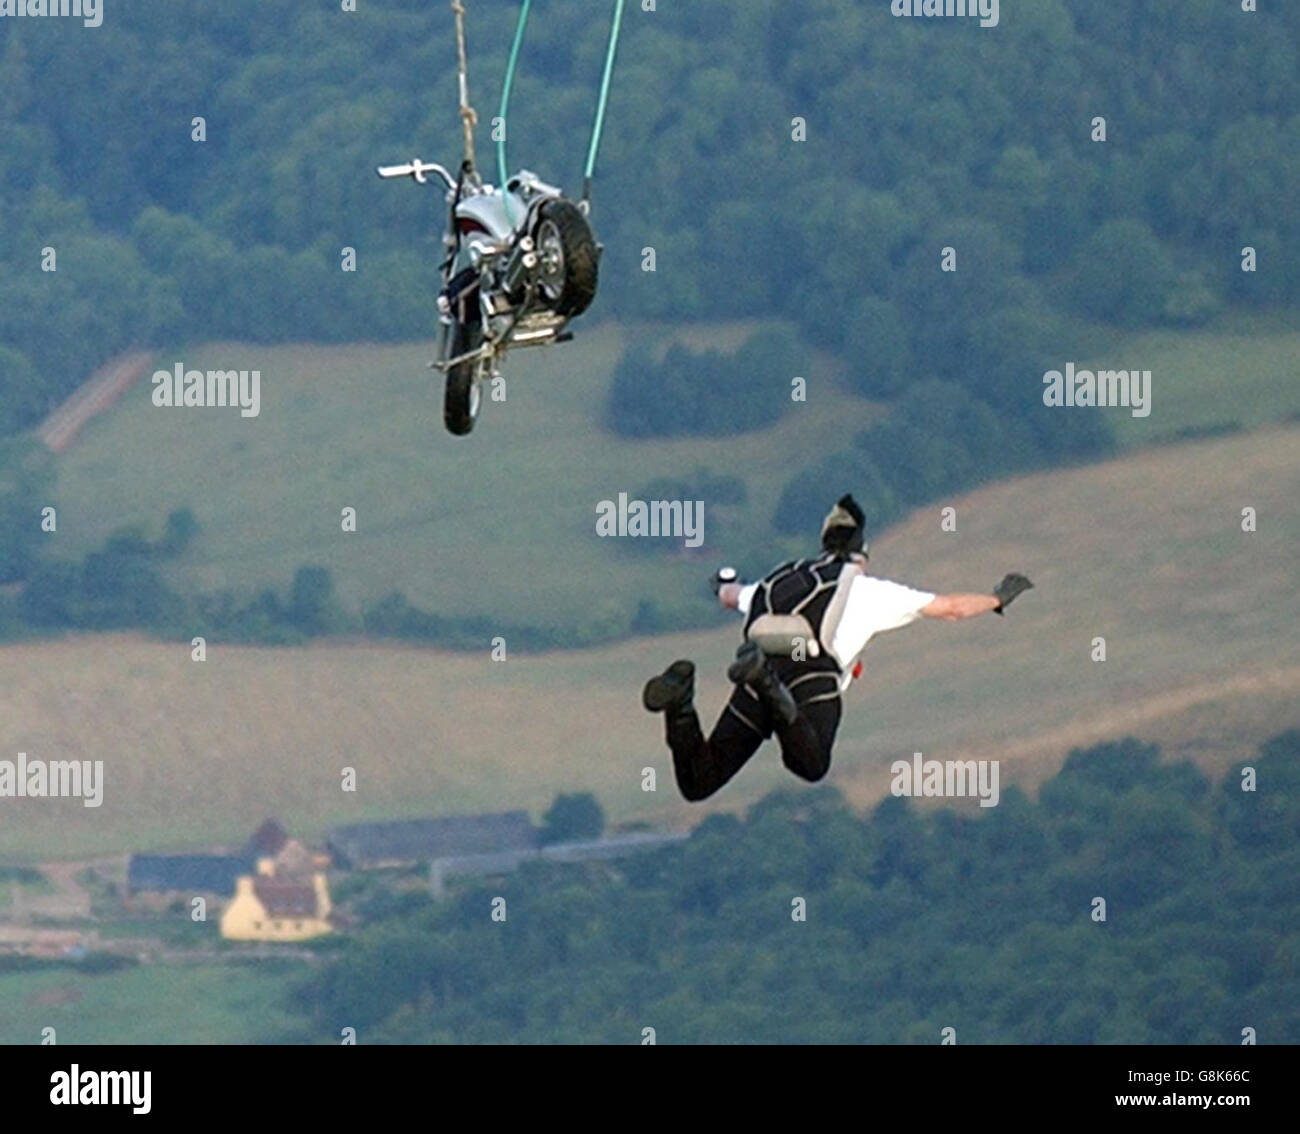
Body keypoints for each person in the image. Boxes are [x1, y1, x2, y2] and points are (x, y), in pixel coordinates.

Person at [642, 494, 1033, 801]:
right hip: (809, 674)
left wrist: (722, 584)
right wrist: (996, 599)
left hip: (766, 662)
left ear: (824, 546)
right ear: (861, 554)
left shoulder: (781, 577)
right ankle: (765, 684)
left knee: (699, 781)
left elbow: (732, 595)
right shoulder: (865, 588)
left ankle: (681, 705)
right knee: (810, 764)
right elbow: (951, 609)